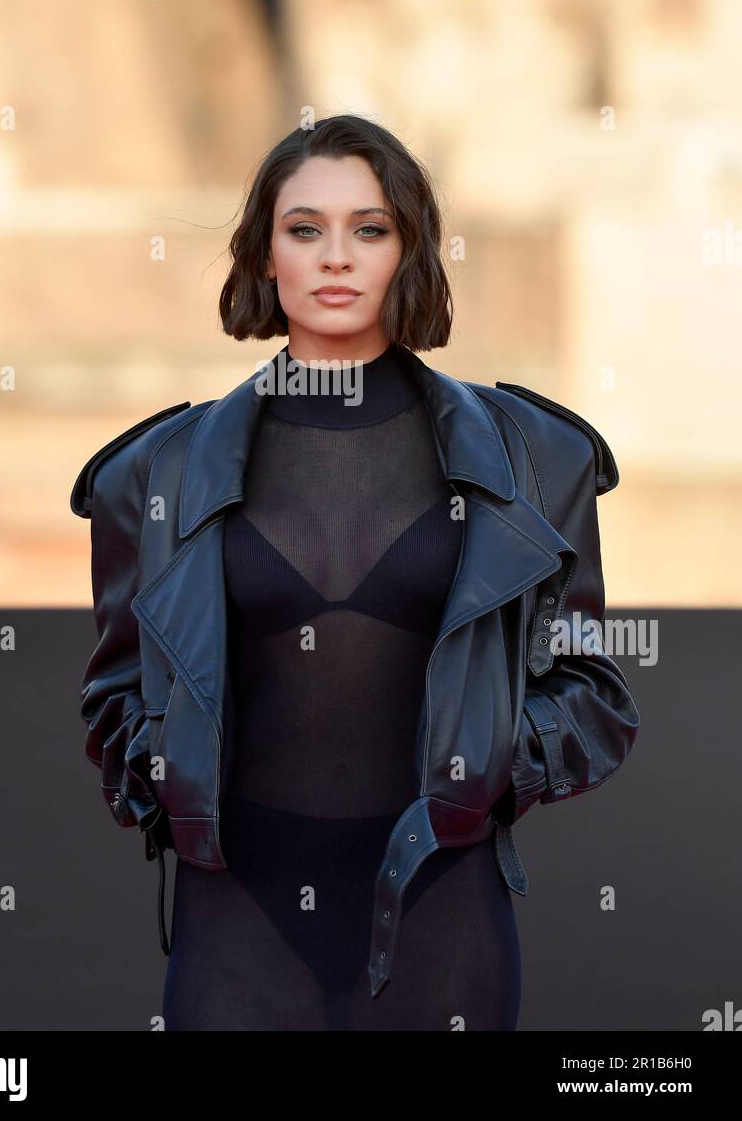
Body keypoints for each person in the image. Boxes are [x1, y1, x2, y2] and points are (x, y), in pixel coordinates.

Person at [72, 113, 640, 1031]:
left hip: (446, 914)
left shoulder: (536, 455)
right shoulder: (153, 475)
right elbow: (115, 695)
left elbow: (591, 690)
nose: (336, 257)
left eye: (369, 229)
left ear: (408, 251)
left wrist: (492, 768)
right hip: (234, 921)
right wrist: (163, 770)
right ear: (265, 255)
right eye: (305, 230)